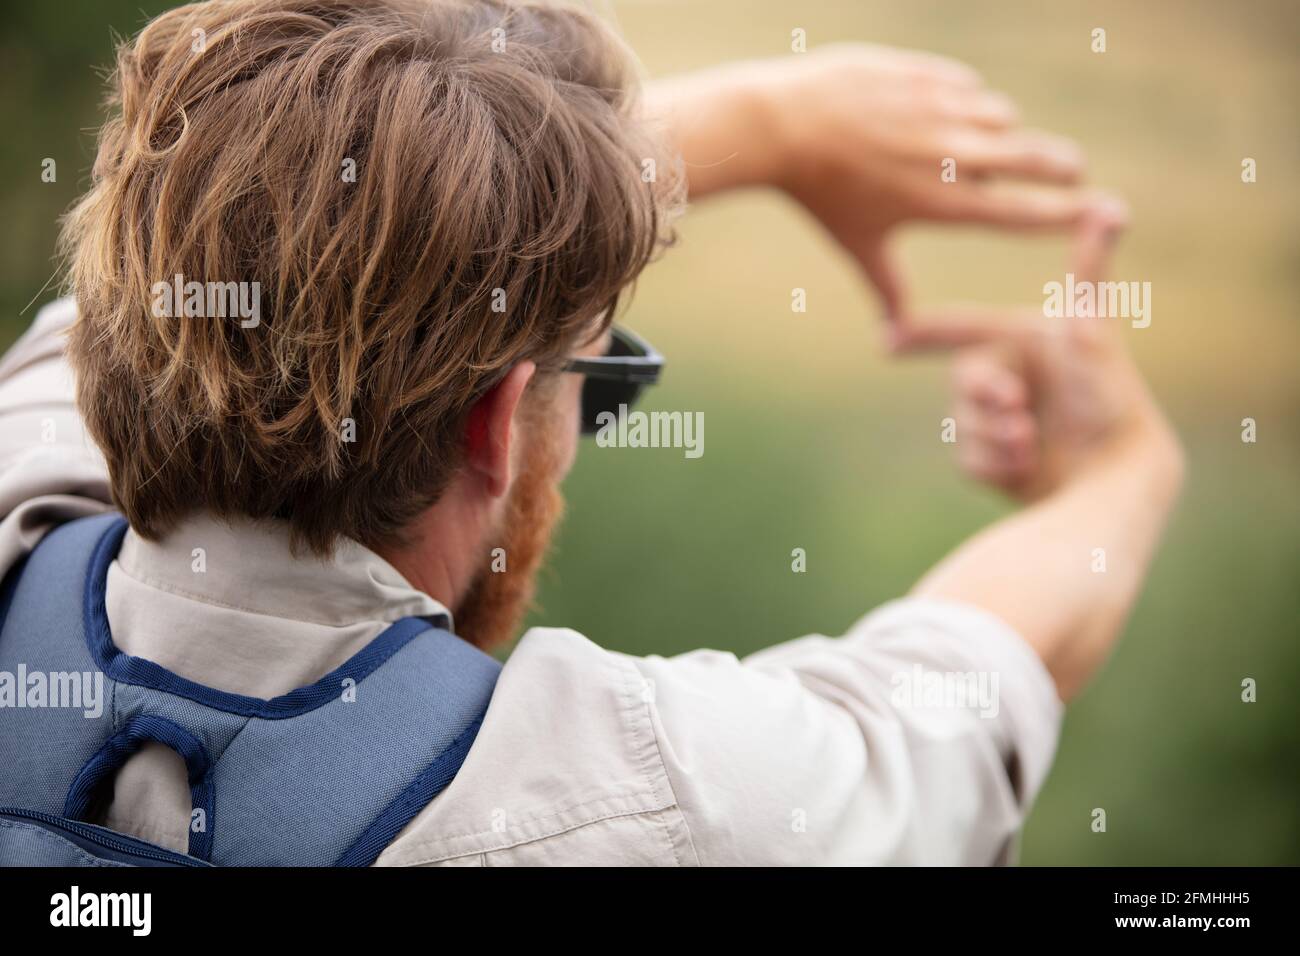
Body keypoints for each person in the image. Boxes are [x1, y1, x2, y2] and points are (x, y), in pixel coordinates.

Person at [0, 0, 1182, 865]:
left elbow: (177, 286)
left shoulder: (24, 489)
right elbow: (948, 698)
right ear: (500, 421)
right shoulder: (642, 807)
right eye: (594, 370)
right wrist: (1120, 469)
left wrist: (771, 126)